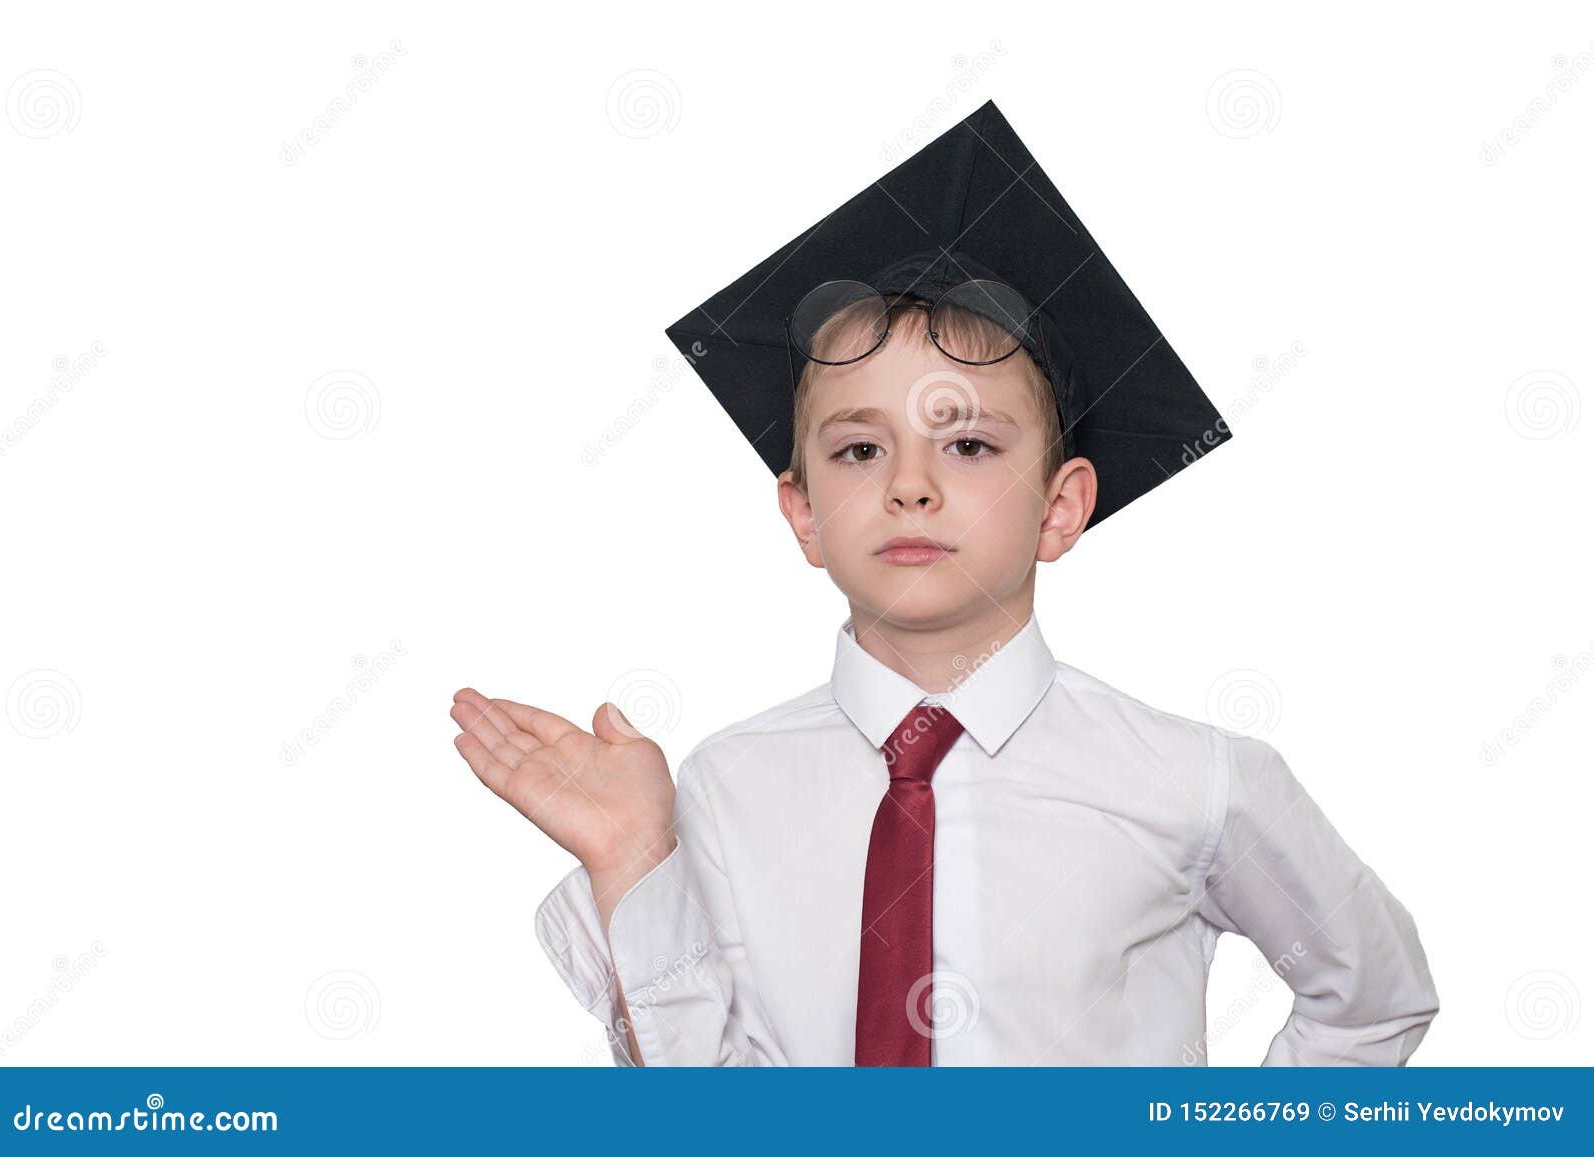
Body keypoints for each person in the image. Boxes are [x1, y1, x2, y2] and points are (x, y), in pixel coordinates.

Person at [449, 100, 1439, 1066]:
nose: (909, 484)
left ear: (1059, 508)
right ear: (801, 513)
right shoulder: (720, 788)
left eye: (966, 442)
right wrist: (631, 854)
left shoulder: (1195, 779)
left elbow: (1371, 1000)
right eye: (859, 448)